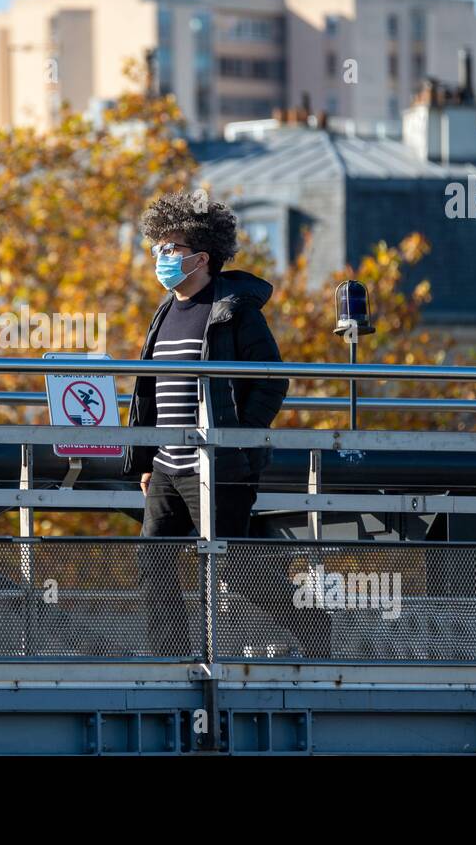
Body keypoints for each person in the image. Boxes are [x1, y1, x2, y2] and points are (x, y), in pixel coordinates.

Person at [123, 191, 290, 655]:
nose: (161, 257)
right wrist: (145, 460)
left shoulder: (235, 312)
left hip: (216, 466)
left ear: (203, 257)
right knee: (152, 560)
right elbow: (150, 392)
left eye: (171, 249)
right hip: (165, 467)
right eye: (158, 248)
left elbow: (273, 383)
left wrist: (234, 442)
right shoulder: (163, 314)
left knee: (231, 565)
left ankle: (310, 623)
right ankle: (172, 656)